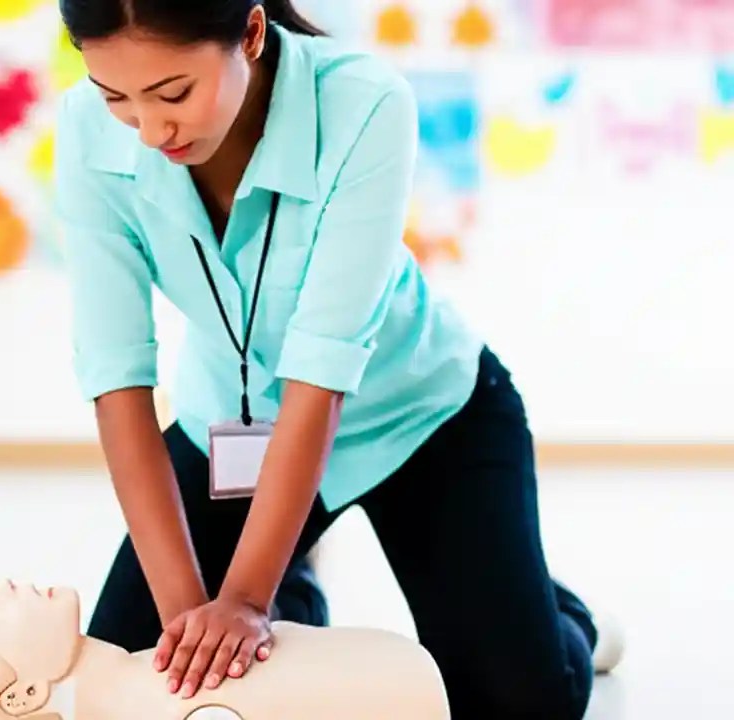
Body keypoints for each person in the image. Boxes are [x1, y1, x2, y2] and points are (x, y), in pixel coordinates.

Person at [52, 1, 625, 718]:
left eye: (173, 93)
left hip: (421, 416)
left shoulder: (364, 102)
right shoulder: (84, 130)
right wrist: (188, 628)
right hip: (232, 428)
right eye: (117, 99)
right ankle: (293, 586)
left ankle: (559, 614)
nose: (151, 127)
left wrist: (244, 601)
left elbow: (321, 376)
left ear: (252, 34)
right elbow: (118, 379)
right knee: (135, 683)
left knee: (519, 703)